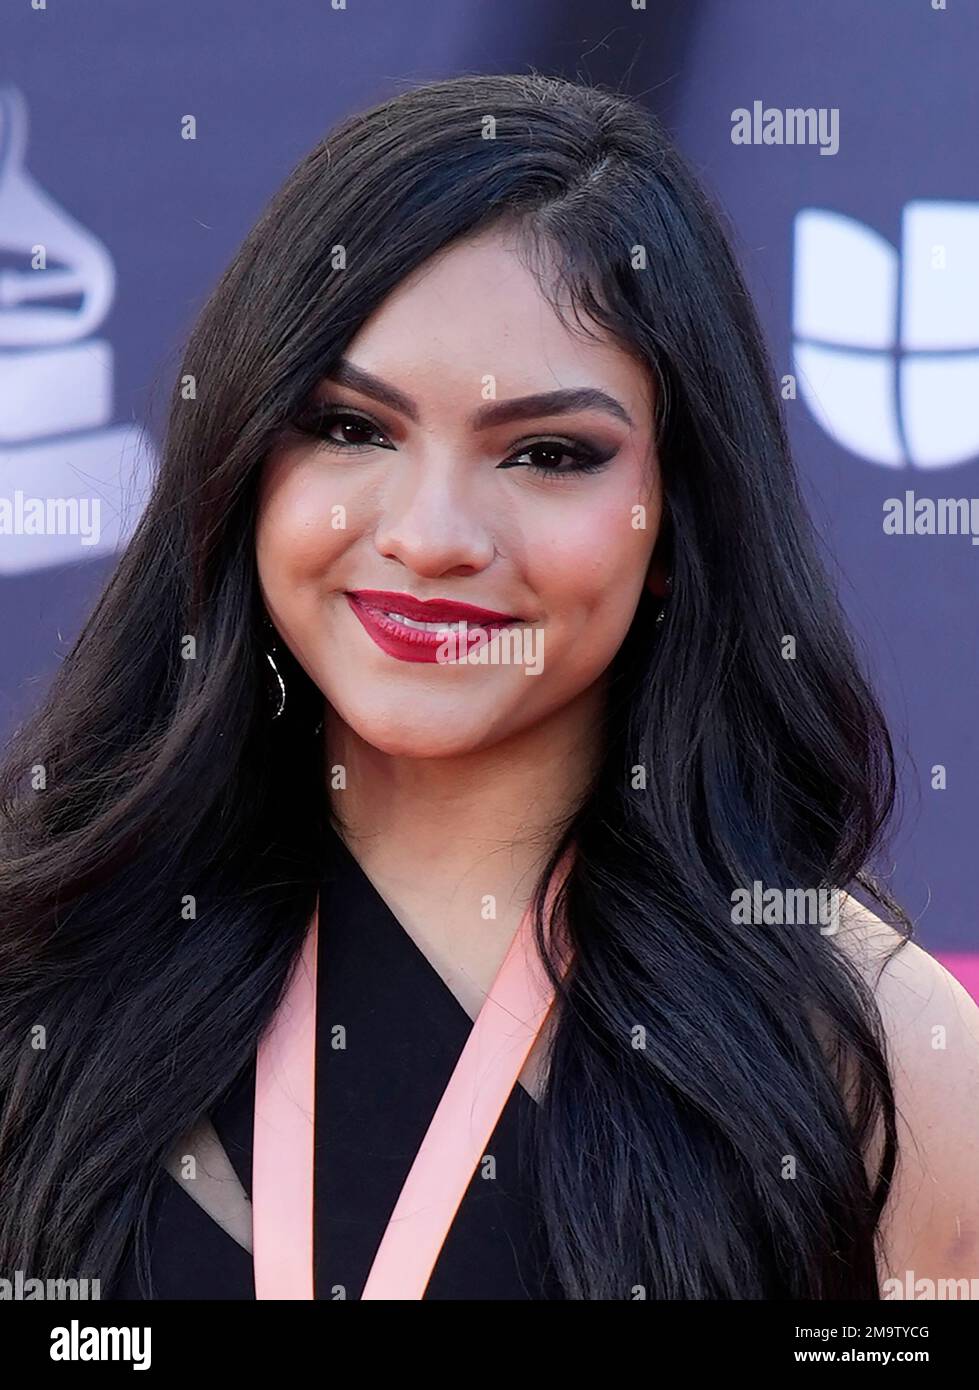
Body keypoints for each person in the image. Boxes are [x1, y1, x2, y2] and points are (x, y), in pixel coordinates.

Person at [1, 73, 976, 1302]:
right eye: (352, 428)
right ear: (243, 455)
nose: (431, 533)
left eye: (548, 453)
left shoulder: (865, 1048)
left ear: (678, 518)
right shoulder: (47, 960)